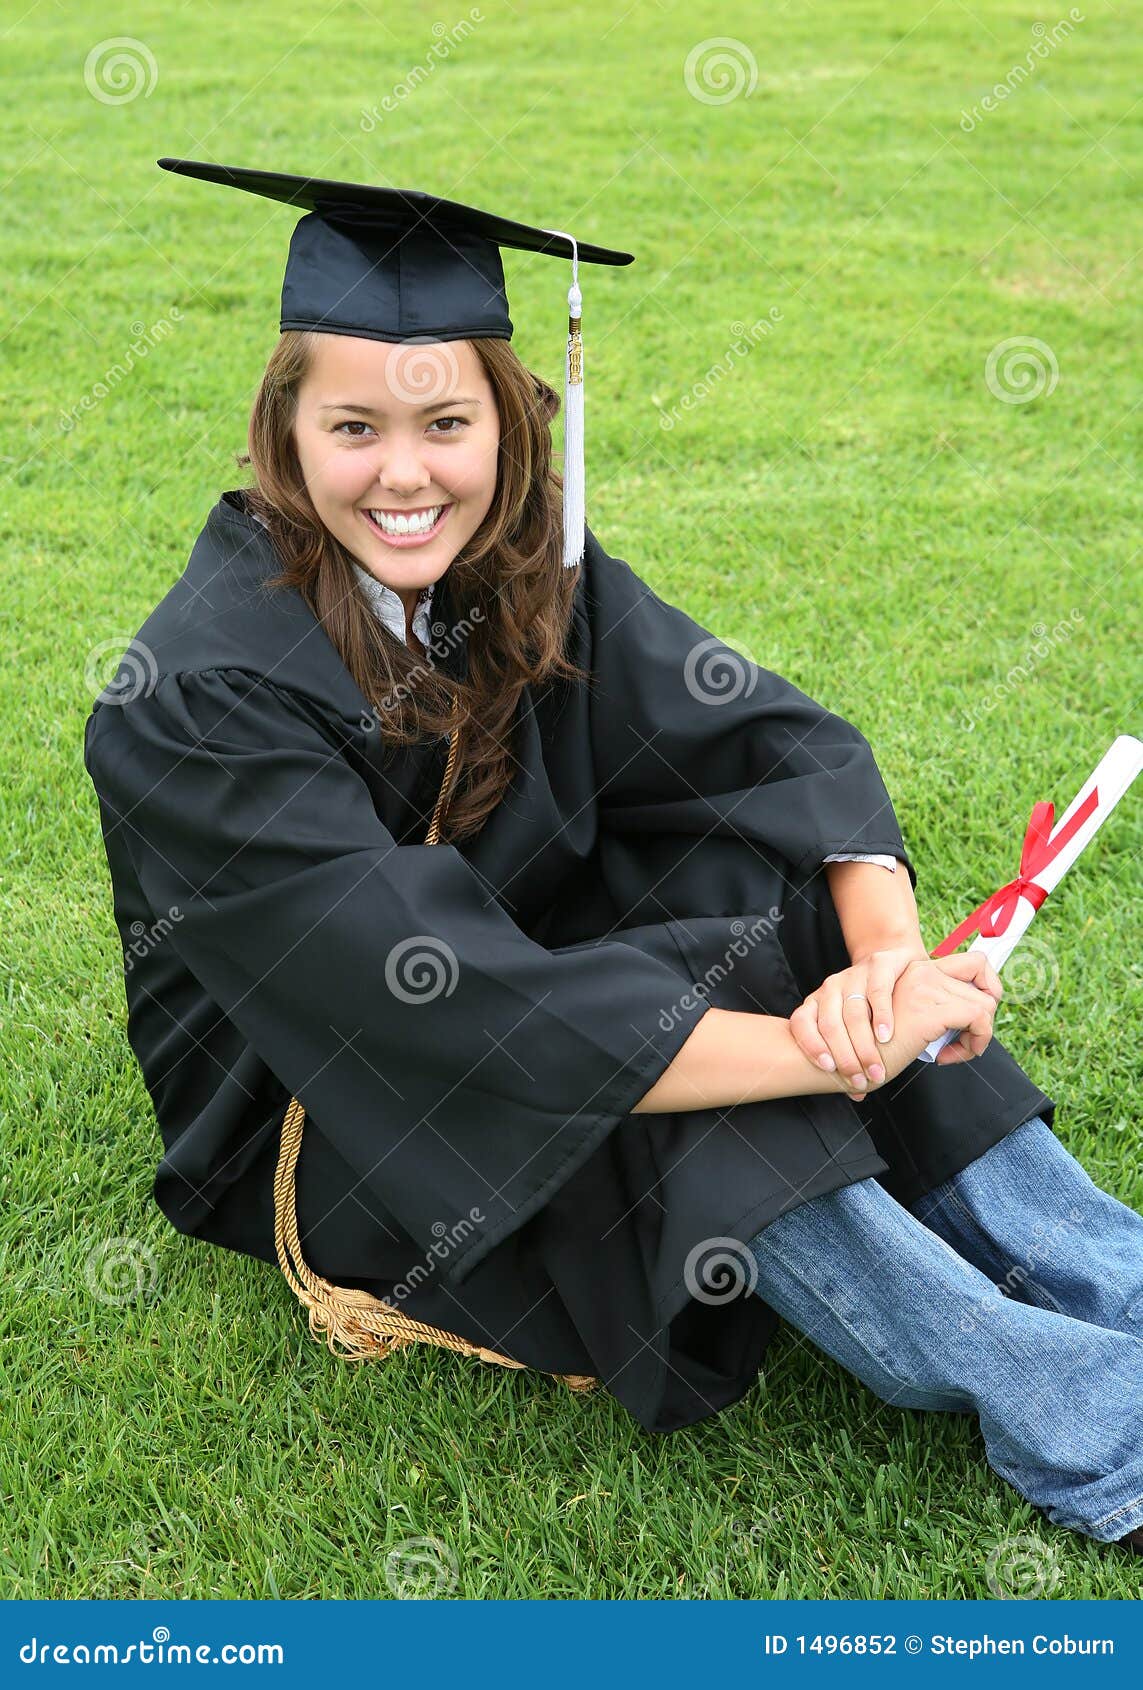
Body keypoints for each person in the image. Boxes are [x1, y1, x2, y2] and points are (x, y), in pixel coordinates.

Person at [82, 159, 1143, 1556]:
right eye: (353, 426)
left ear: (512, 426)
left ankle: (1115, 1283)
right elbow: (456, 1009)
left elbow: (780, 747)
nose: (406, 474)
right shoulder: (192, 700)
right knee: (661, 1045)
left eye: (447, 422)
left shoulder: (521, 565)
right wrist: (826, 1050)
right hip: (333, 1103)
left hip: (514, 961)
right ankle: (1091, 1416)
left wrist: (884, 969)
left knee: (767, 904)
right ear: (282, 430)